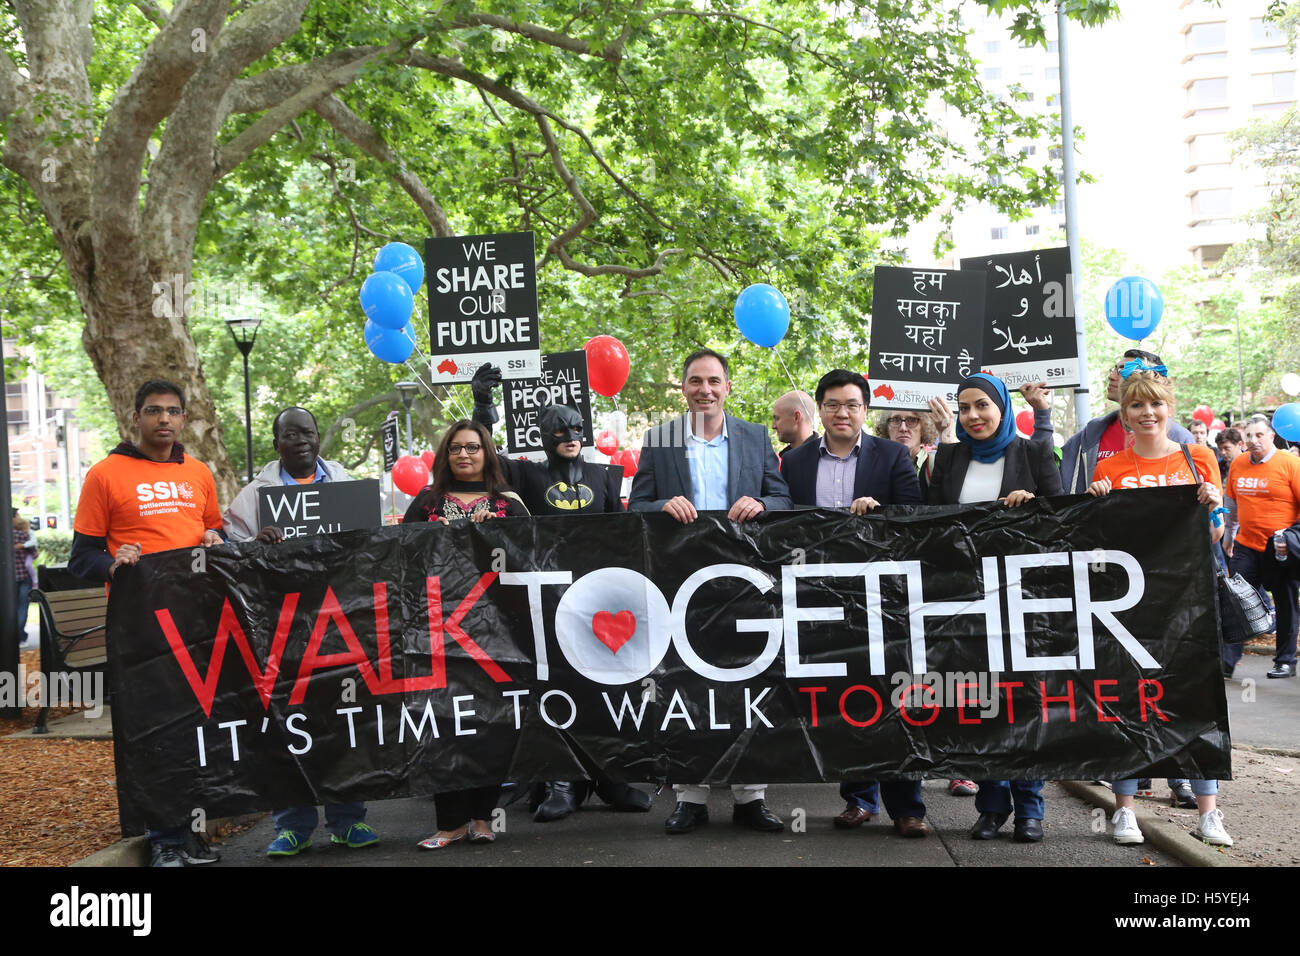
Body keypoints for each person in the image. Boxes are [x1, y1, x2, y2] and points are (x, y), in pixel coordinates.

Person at [469, 367, 653, 819]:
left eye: (576, 426)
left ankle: (611, 777)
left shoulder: (605, 475)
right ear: (544, 435)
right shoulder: (528, 476)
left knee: (605, 685)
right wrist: (482, 408)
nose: (570, 434)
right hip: (546, 599)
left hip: (600, 597)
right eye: (560, 428)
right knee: (554, 686)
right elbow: (486, 458)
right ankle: (560, 782)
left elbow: (623, 533)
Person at [628, 348, 792, 834]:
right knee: (685, 684)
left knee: (751, 680)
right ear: (683, 386)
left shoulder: (754, 437)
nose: (705, 389)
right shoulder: (659, 440)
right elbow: (636, 504)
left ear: (727, 387)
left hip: (745, 580)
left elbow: (782, 498)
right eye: (696, 380)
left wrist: (760, 501)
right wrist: (663, 504)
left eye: (714, 381)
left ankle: (752, 798)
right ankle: (690, 797)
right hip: (682, 581)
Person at [68, 380, 225, 867]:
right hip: (141, 627)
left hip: (196, 618)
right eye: (153, 411)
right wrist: (114, 563)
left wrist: (215, 537)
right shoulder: (105, 474)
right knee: (157, 731)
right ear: (135, 417)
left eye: (173, 412)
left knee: (199, 728)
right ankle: (165, 839)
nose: (164, 420)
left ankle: (194, 833)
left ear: (183, 419)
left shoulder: (199, 472)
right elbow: (83, 558)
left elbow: (211, 527)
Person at [222, 406, 381, 857]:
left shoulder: (346, 485)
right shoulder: (257, 495)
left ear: (317, 438)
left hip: (341, 624)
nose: (302, 441)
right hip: (283, 629)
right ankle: (292, 826)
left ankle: (349, 821)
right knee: (287, 725)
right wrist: (258, 544)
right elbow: (232, 551)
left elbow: (373, 543)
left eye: (308, 433)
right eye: (291, 435)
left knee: (343, 721)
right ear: (278, 445)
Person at [782, 370, 933, 836]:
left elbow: (915, 519)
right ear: (819, 410)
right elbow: (783, 522)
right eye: (832, 404)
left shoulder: (891, 456)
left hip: (884, 599)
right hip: (821, 596)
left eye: (851, 404)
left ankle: (909, 807)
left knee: (896, 694)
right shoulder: (795, 461)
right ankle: (858, 799)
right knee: (845, 697)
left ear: (865, 410)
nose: (841, 413)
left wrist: (879, 514)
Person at [1086, 370, 1233, 846]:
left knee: (1195, 693)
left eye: (1155, 405)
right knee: (1129, 695)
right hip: (1130, 604)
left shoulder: (1200, 458)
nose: (1147, 414)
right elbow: (1099, 542)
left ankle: (1210, 812)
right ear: (1124, 413)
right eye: (1136, 406)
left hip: (1188, 600)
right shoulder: (1110, 470)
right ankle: (1124, 809)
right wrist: (1094, 506)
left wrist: (1213, 505)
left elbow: (1212, 535)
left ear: (1170, 408)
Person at [923, 372, 1063, 843]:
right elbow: (928, 516)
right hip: (965, 604)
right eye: (964, 408)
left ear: (1001, 407)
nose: (973, 416)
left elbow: (1064, 517)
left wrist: (1033, 506)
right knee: (982, 702)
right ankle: (990, 807)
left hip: (1024, 602)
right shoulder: (953, 455)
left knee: (1025, 700)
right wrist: (940, 443)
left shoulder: (1033, 453)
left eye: (982, 405)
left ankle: (1030, 809)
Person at [404, 419, 529, 849]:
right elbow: (400, 558)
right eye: (455, 448)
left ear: (486, 453)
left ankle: (482, 818)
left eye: (473, 448)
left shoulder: (510, 505)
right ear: (445, 455)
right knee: (443, 721)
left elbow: (529, 560)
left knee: (492, 722)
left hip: (496, 633)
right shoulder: (425, 504)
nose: (464, 455)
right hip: (436, 629)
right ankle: (449, 822)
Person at [870, 401, 978, 799]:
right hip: (892, 590)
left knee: (951, 675)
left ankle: (957, 767)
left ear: (926, 428)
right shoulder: (876, 460)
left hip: (943, 585)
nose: (903, 426)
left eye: (912, 420)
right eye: (896, 419)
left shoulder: (940, 461)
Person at [1046, 350, 1195, 494]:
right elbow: (1048, 470)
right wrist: (1042, 415)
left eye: (1123, 370)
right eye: (1114, 369)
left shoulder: (1184, 441)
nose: (1111, 376)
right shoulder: (1093, 433)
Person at [1223, 415, 1300, 679]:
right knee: (1235, 601)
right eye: (1249, 436)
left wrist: (1291, 538)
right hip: (1246, 544)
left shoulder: (1291, 464)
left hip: (1280, 548)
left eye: (1259, 435)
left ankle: (1286, 661)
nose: (1253, 441)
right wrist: (1228, 536)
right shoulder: (1239, 464)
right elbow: (1231, 503)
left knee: (1286, 603)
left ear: (1271, 436)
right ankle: (1227, 661)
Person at [771, 390, 817, 459]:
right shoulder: (782, 460)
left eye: (777, 418)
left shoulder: (823, 460)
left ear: (796, 417)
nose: (773, 426)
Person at [13, 512, 36, 641]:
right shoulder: (25, 536)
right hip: (25, 576)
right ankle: (20, 636)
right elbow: (35, 553)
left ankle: (11, 636)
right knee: (23, 606)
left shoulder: (6, 535)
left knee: (11, 606)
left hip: (10, 578)